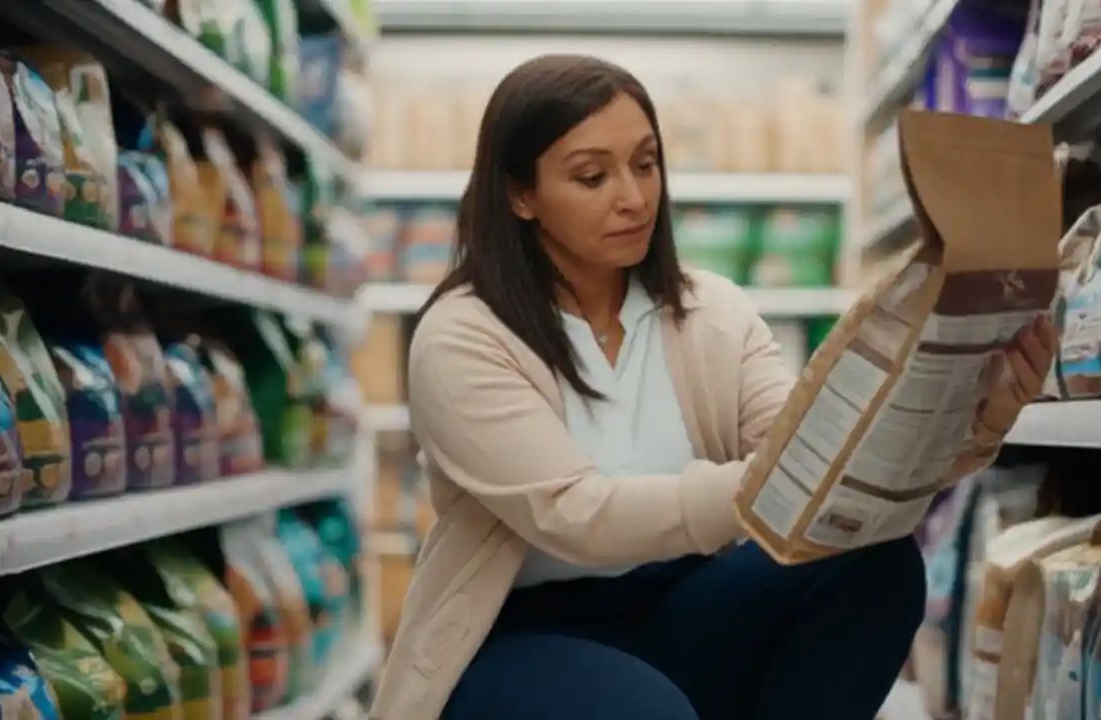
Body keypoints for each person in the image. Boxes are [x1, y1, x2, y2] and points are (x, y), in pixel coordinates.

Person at [372, 54, 1056, 720]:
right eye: (591, 176)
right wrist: (766, 486)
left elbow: (823, 472)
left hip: (681, 606)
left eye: (646, 163)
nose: (634, 197)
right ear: (520, 194)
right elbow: (576, 516)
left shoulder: (711, 312)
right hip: (523, 634)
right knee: (646, 709)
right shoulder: (466, 335)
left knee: (875, 564)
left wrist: (978, 419)